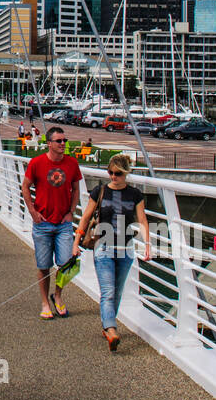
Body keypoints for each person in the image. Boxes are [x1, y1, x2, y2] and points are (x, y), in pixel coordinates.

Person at [72, 153, 150, 352]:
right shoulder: (100, 191)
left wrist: (148, 244)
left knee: (117, 292)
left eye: (117, 174)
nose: (113, 177)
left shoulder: (135, 194)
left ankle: (107, 325)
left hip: (126, 249)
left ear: (125, 174)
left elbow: (142, 220)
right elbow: (86, 217)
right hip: (104, 248)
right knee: (107, 292)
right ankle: (111, 329)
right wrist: (76, 242)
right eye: (110, 173)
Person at [21, 125, 82, 321]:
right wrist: (32, 211)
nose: (63, 144)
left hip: (63, 222)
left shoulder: (72, 164)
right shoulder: (37, 163)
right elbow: (25, 186)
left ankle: (57, 295)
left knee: (65, 264)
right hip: (43, 223)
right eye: (59, 141)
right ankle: (45, 303)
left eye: (64, 140)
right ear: (49, 143)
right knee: (43, 265)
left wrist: (71, 212)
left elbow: (76, 189)